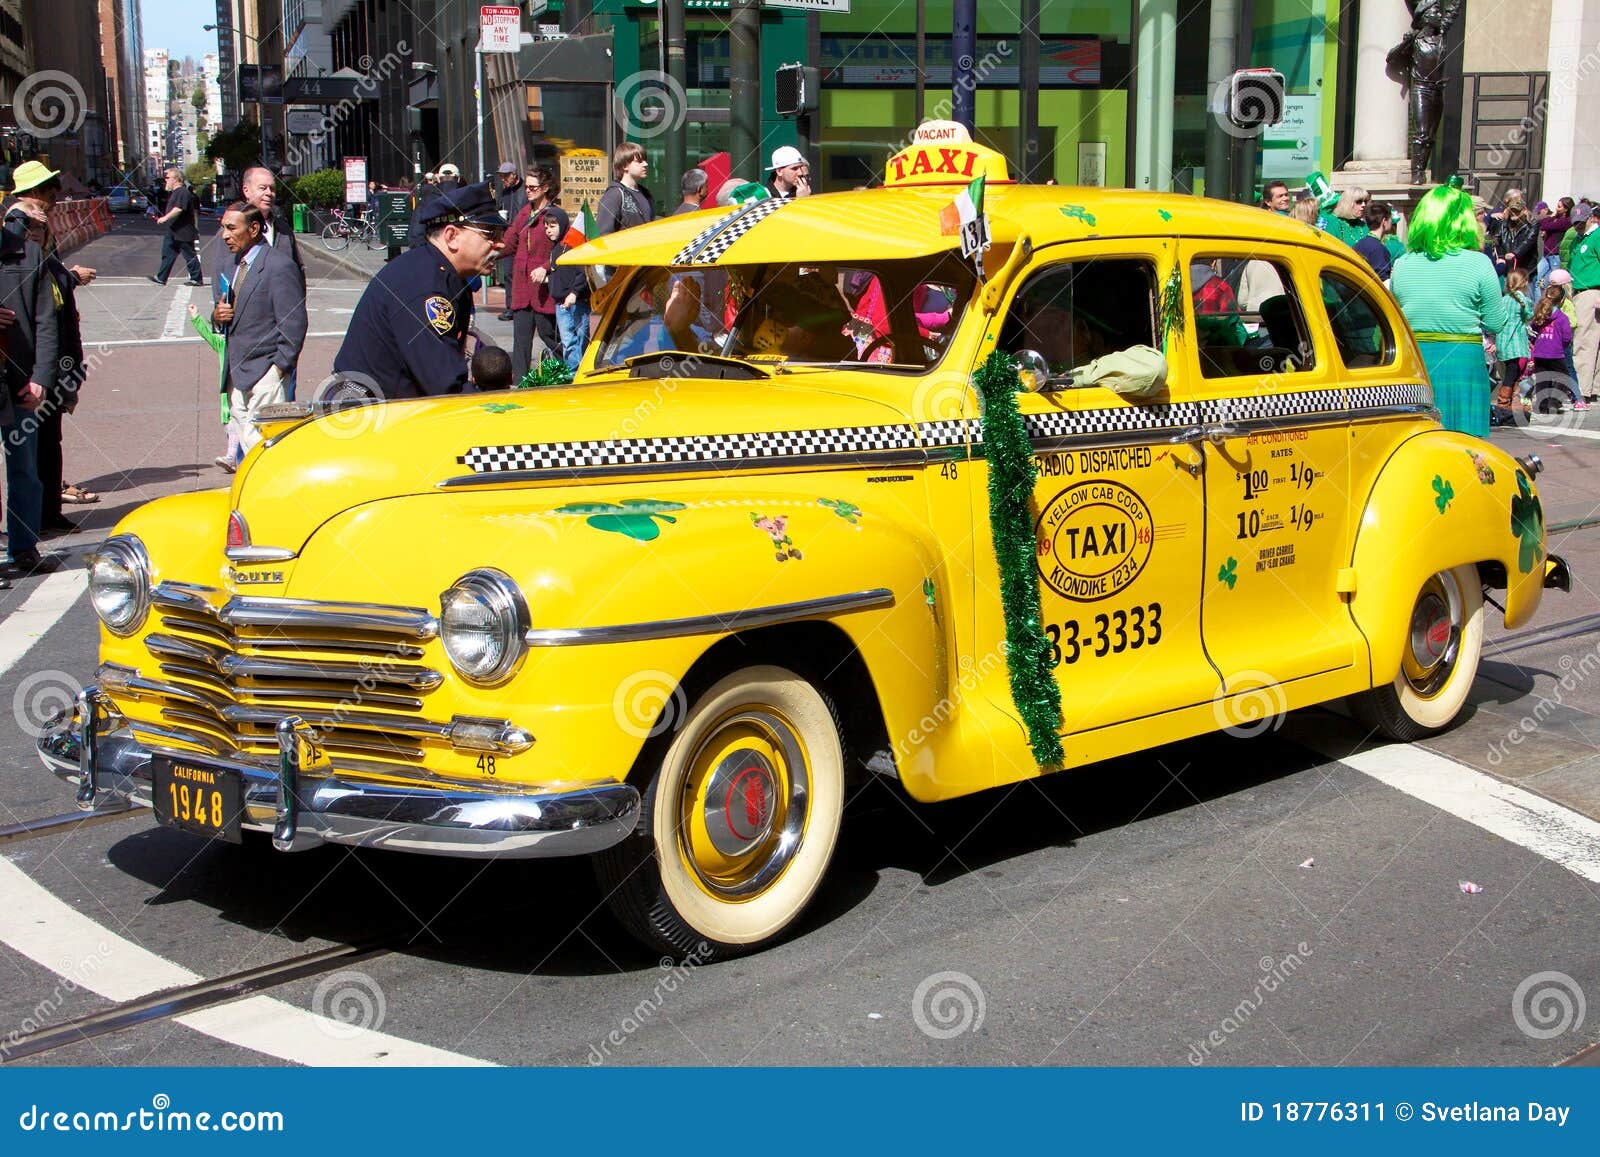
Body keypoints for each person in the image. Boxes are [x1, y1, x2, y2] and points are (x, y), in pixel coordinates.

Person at [335, 182, 505, 398]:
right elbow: (446, 386)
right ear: (451, 236)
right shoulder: (425, 287)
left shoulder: (441, 274)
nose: (501, 244)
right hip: (372, 417)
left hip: (397, 409)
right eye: (491, 234)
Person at [4, 162, 98, 533]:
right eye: (49, 194)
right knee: (31, 450)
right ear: (34, 195)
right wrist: (70, 275)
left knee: (46, 441)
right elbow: (33, 298)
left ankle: (45, 513)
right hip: (26, 363)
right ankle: (33, 522)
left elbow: (49, 301)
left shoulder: (36, 237)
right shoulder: (19, 232)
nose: (54, 202)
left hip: (47, 359)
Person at [1390, 184, 1509, 437]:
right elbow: (1496, 322)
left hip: (1415, 364)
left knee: (1420, 440)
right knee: (1466, 445)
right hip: (1463, 361)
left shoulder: (1402, 264)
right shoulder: (1479, 263)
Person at [210, 203, 308, 455]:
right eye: (223, 228)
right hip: (237, 373)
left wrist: (276, 371)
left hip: (266, 373)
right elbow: (227, 312)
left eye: (232, 228)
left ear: (254, 228)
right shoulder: (231, 264)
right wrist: (217, 316)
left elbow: (294, 323)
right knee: (250, 452)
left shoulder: (279, 266)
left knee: (266, 454)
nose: (225, 236)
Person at [0, 207, 57, 577]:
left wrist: (42, 377)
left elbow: (46, 320)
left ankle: (23, 545)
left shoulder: (28, 253)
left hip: (20, 380)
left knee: (24, 467)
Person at [545, 206, 590, 372]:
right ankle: (573, 372)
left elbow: (582, 272)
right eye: (546, 227)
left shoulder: (573, 245)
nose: (548, 230)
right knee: (568, 340)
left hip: (576, 301)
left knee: (581, 338)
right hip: (561, 303)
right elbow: (558, 273)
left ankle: (581, 370)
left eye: (552, 226)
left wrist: (574, 293)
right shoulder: (556, 248)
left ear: (562, 224)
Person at [1529, 284, 1585, 410]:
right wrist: (1563, 345)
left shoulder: (1539, 314)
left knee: (1542, 379)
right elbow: (1567, 337)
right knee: (1563, 377)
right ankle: (1554, 401)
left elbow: (1532, 332)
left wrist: (1534, 342)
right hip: (1555, 353)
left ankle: (1542, 405)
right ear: (1561, 301)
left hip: (1540, 352)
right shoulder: (1562, 318)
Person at [1566, 207, 1600, 400]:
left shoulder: (1597, 236)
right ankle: (1592, 388)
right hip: (1578, 291)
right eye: (1575, 223)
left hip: (1592, 292)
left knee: (1583, 342)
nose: (1577, 226)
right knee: (1588, 340)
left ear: (1589, 218)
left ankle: (1582, 389)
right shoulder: (1578, 240)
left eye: (1580, 222)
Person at [148, 165, 203, 285]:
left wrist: (165, 218)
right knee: (168, 254)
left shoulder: (182, 192)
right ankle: (161, 277)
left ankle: (196, 278)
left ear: (176, 179)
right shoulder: (175, 193)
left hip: (182, 231)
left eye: (168, 177)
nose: (165, 180)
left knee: (189, 255)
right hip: (174, 230)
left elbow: (178, 209)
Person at [1491, 268, 1533, 408]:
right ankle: (1504, 401)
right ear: (1525, 283)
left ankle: (1511, 401)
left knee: (1511, 370)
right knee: (1513, 371)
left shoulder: (1502, 299)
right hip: (1515, 341)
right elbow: (1529, 316)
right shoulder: (1524, 300)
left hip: (1502, 340)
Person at [596, 142, 654, 237]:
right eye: (639, 161)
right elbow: (603, 234)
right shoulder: (614, 195)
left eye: (645, 160)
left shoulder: (646, 194)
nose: (645, 164)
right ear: (624, 166)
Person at [493, 161, 525, 321]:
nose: (503, 180)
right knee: (508, 274)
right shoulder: (505, 193)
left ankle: (521, 306)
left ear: (514, 174)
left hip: (524, 237)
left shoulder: (525, 190)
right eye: (501, 177)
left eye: (505, 176)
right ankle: (510, 308)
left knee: (522, 273)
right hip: (508, 236)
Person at [1495, 195, 1540, 279]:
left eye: (1517, 211)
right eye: (1512, 210)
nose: (1514, 213)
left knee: (1527, 291)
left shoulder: (1532, 224)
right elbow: (1497, 239)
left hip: (1526, 268)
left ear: (1524, 210)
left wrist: (1515, 253)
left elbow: (1528, 241)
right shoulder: (1505, 223)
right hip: (1508, 267)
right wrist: (1500, 257)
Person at [1536, 196, 1574, 296]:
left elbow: (1545, 225)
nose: (1557, 209)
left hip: (1555, 255)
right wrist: (1553, 217)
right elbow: (1541, 223)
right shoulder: (1555, 219)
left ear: (1566, 209)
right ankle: (1538, 307)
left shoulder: (1567, 221)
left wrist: (1551, 217)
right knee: (1538, 280)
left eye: (1559, 207)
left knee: (1552, 282)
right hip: (1546, 254)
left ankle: (1550, 307)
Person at [1353, 201, 1395, 280]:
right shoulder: (1378, 249)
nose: (1391, 222)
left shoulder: (1359, 244)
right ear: (1384, 221)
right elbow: (1383, 281)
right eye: (1390, 219)